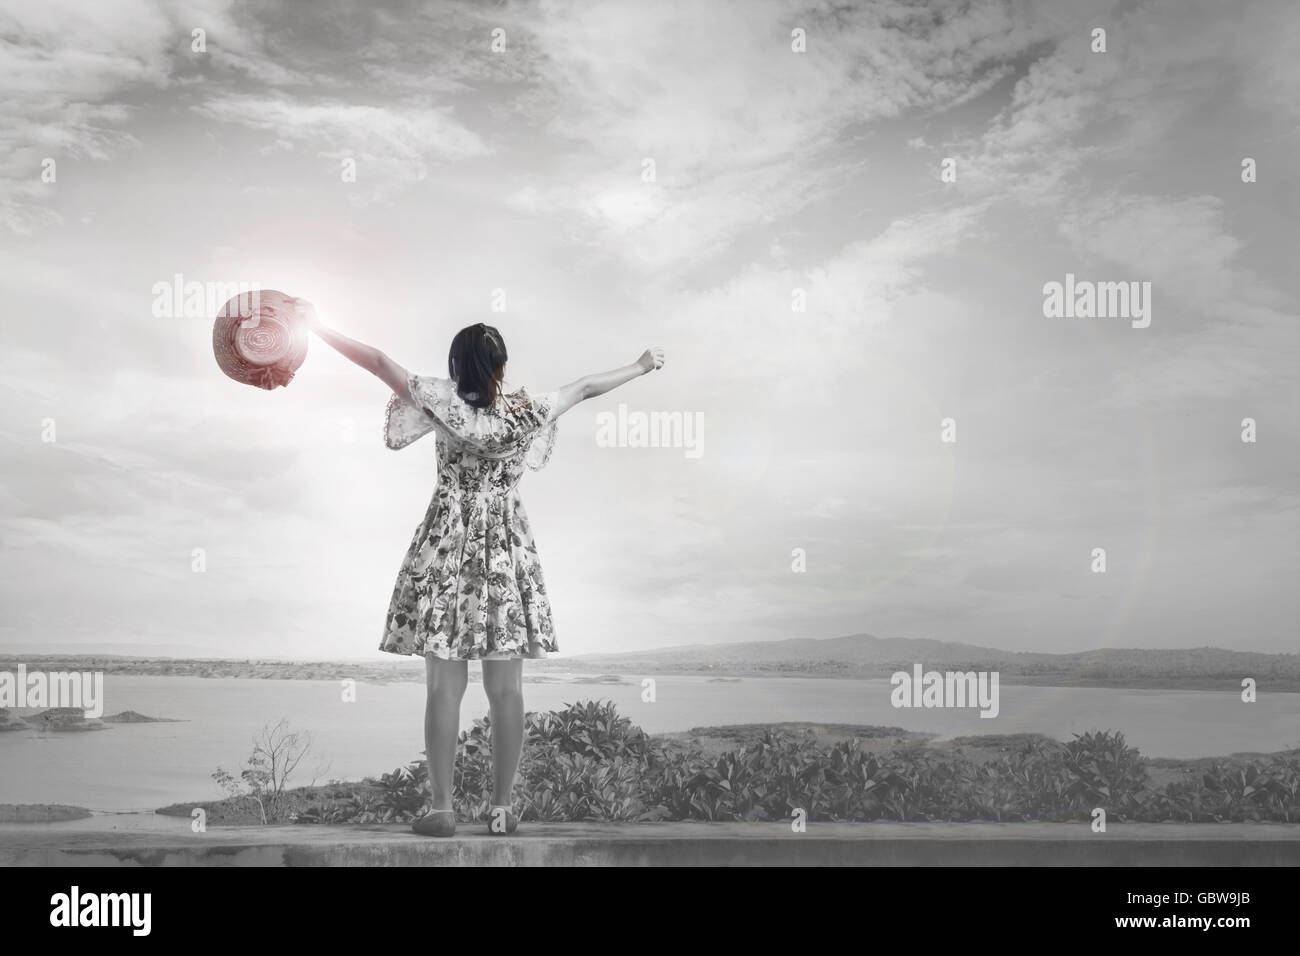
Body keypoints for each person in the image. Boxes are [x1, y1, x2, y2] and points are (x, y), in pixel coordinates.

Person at [297, 302, 664, 836]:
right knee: (507, 689)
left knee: (444, 688)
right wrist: (640, 365)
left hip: (447, 547)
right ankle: (502, 809)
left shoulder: (443, 404)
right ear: (501, 365)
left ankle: (443, 809)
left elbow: (377, 360)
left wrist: (316, 325)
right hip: (505, 555)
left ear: (456, 366)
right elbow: (585, 387)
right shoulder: (524, 411)